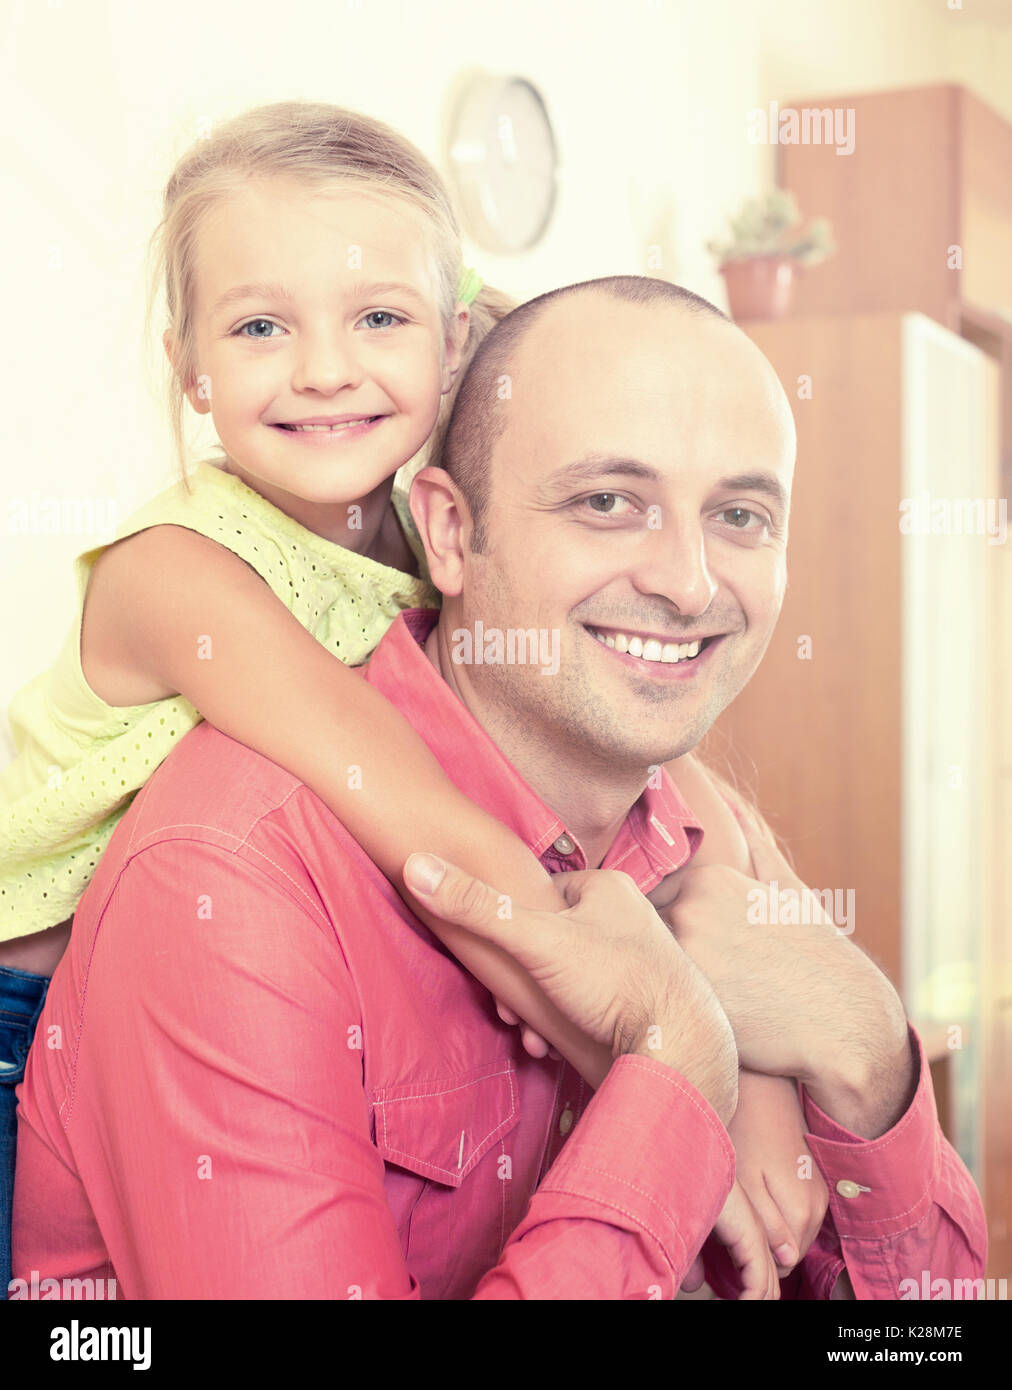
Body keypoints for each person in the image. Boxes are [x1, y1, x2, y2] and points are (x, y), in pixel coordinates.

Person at [11, 275, 985, 1299]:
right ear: (447, 534)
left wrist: (868, 1046)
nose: (691, 583)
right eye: (608, 502)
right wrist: (677, 1064)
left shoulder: (703, 832)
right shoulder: (231, 872)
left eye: (741, 515)